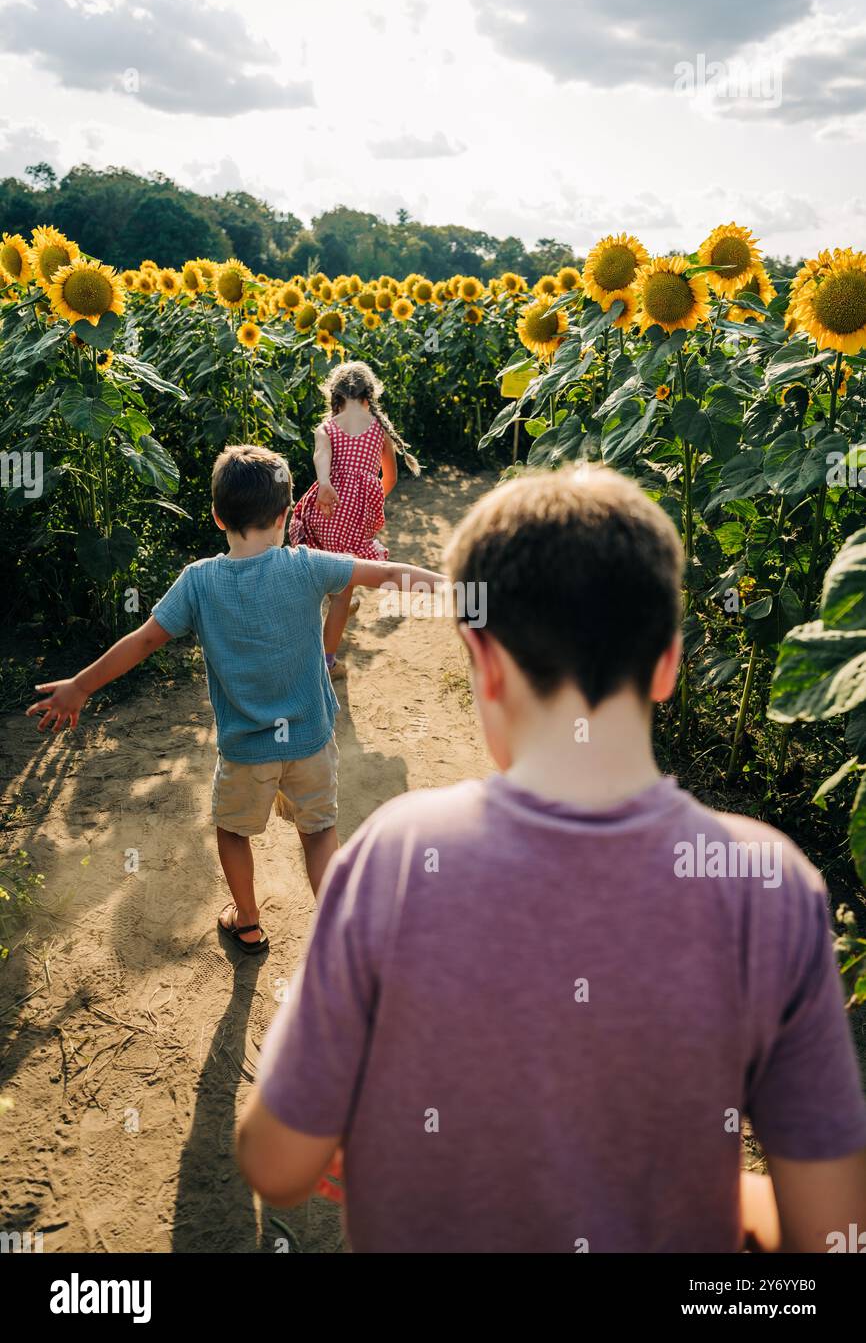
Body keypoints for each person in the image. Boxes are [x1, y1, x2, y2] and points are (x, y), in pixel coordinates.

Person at [238, 464, 866, 1251]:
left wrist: (314, 1019)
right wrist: (704, 1187)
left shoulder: (394, 857)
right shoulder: (769, 885)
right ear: (668, 662)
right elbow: (834, 1230)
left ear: (485, 663)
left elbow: (276, 1162)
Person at [27, 444, 443, 955]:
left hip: (246, 750)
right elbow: (382, 573)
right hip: (310, 740)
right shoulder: (308, 566)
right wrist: (444, 584)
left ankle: (246, 921)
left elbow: (142, 641)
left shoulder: (199, 582)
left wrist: (80, 687)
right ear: (287, 514)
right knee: (318, 834)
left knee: (232, 831)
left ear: (218, 515)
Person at [290, 361, 419, 679]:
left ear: (334, 397)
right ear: (369, 397)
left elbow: (321, 455)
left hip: (322, 512)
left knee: (329, 568)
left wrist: (325, 483)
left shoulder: (328, 428)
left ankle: (337, 604)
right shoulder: (379, 430)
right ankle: (326, 663)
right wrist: (370, 497)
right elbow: (389, 477)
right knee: (344, 587)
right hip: (352, 520)